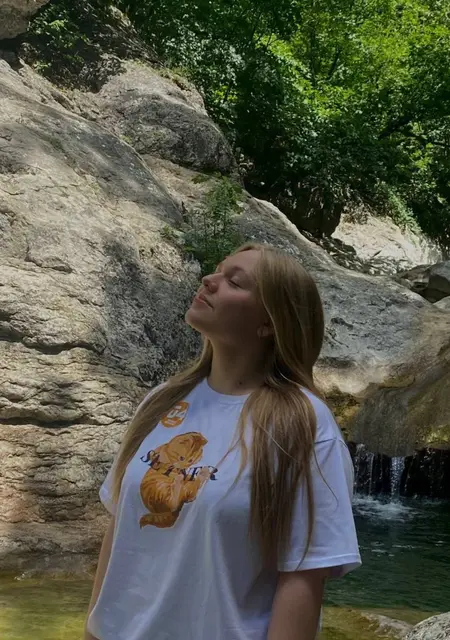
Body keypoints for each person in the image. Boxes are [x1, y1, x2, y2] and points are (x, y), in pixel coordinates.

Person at [84, 242, 361, 640]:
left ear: (269, 323)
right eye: (217, 271)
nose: (209, 280)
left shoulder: (304, 425)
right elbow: (119, 534)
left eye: (235, 281)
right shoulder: (162, 401)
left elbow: (302, 576)